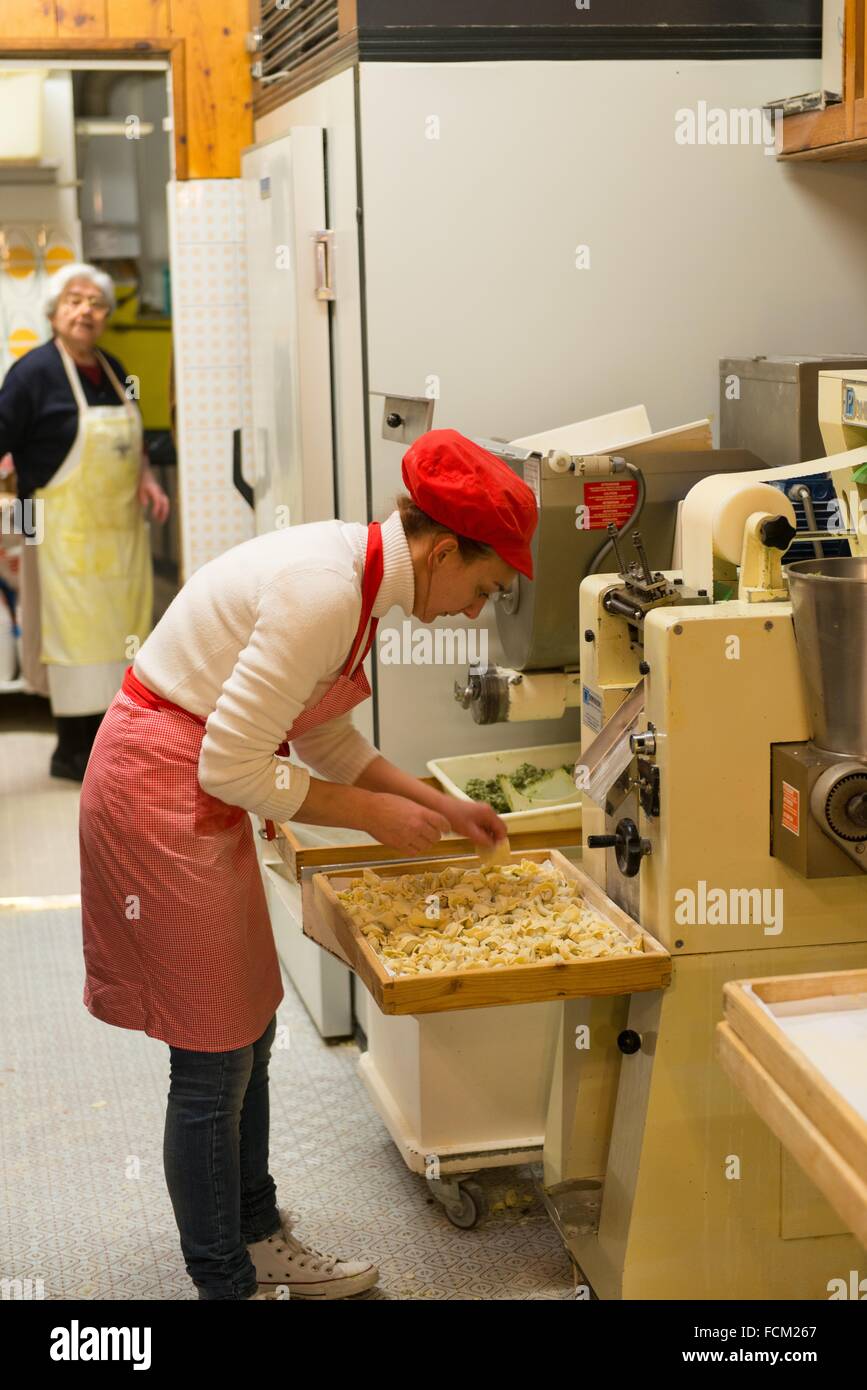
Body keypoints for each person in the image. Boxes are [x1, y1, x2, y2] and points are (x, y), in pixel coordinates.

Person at [78, 427, 538, 1300]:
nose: (476, 611)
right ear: (442, 552)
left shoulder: (359, 582)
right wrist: (373, 817)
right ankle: (227, 1281)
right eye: (483, 588)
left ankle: (256, 1233)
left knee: (248, 1026)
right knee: (212, 1057)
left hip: (194, 778)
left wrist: (436, 803)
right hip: (158, 790)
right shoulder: (327, 590)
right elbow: (230, 765)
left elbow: (318, 730)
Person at [0, 263, 169, 779]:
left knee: (119, 635)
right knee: (72, 638)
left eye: (95, 302)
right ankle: (72, 752)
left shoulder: (117, 370)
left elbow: (133, 439)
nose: (85, 310)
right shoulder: (31, 373)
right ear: (54, 312)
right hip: (60, 532)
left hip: (118, 537)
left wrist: (148, 479)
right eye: (74, 300)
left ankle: (112, 744)